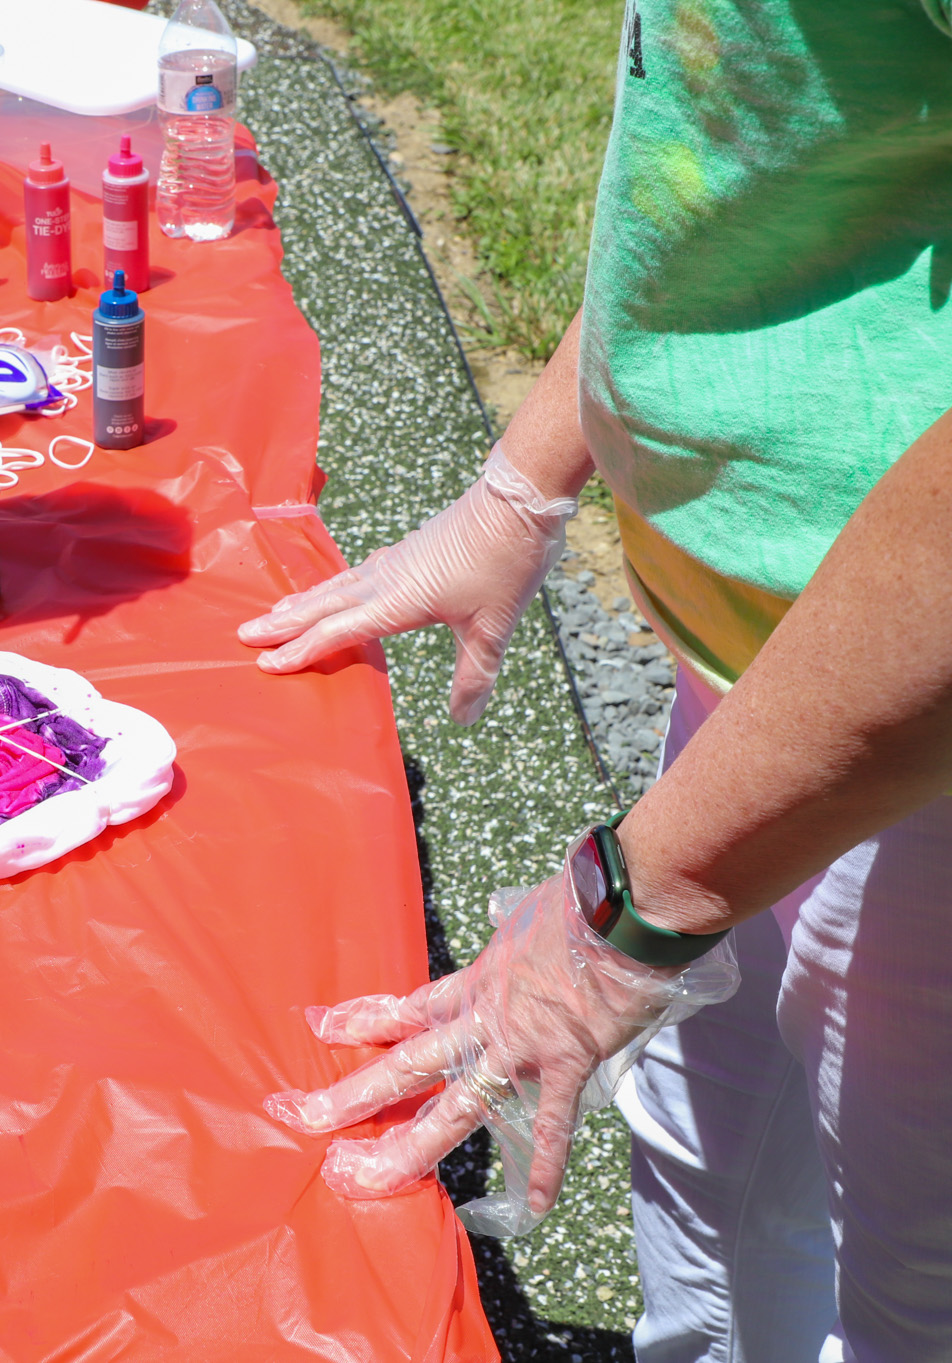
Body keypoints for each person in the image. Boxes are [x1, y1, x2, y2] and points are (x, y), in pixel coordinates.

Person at [240, 2, 952, 1358]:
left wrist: (637, 904)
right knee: (706, 1154)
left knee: (916, 1266)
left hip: (913, 732)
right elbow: (772, 172)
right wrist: (520, 488)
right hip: (768, 669)